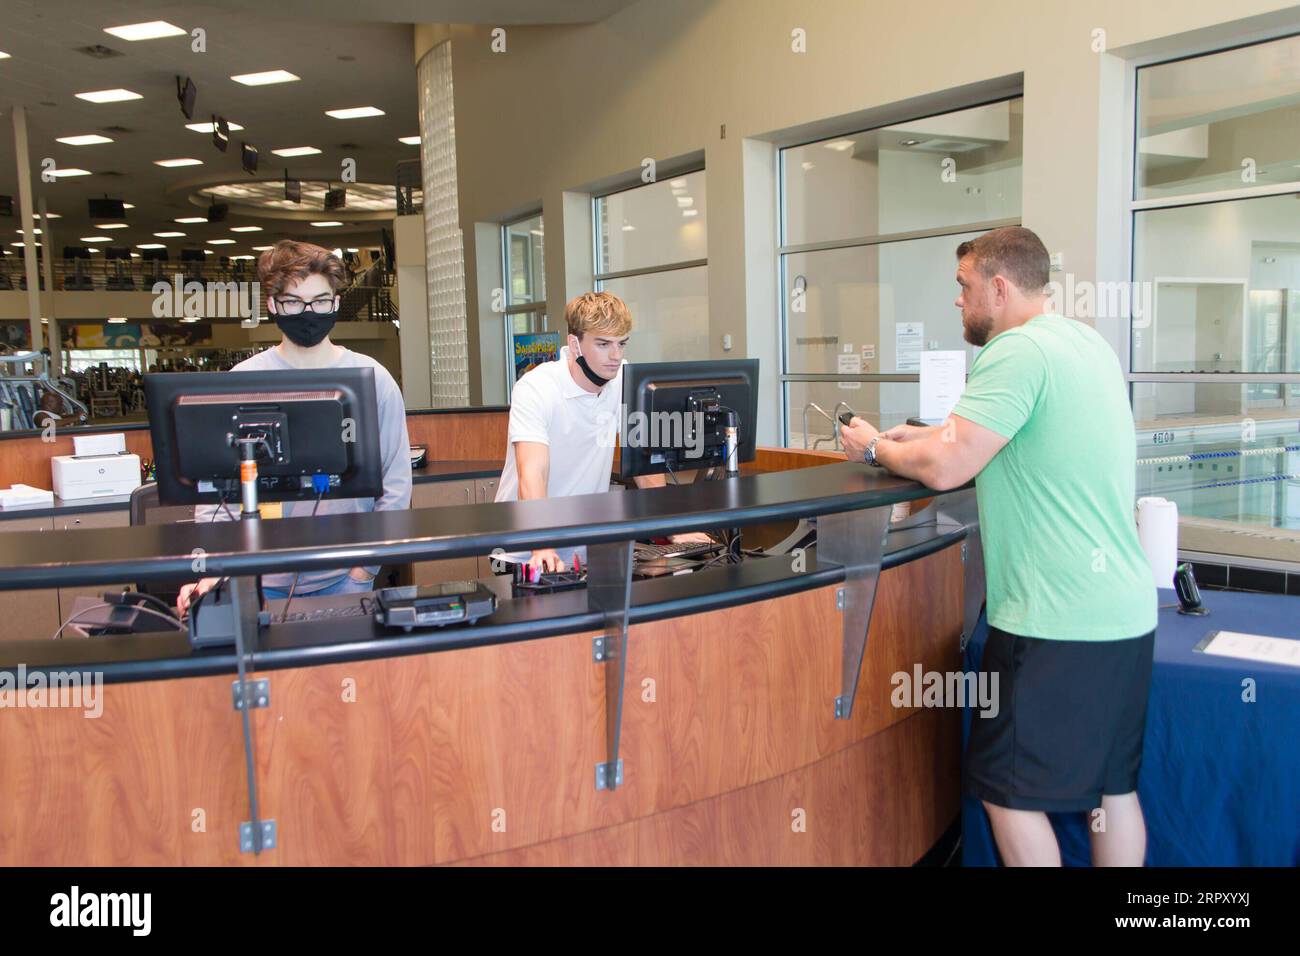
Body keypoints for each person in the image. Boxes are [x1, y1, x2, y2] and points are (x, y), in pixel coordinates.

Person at [840, 226, 1157, 867]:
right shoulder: (1085, 343)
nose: (957, 301)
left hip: (1055, 619)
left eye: (964, 287)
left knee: (1008, 792)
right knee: (1111, 791)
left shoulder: (1015, 351)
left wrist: (876, 447)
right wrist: (932, 433)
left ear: (1000, 286)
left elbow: (950, 465)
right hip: (1124, 613)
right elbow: (1011, 437)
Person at [176, 240, 411, 614]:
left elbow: (396, 485)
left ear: (335, 302)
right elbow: (215, 497)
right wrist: (212, 572)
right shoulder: (242, 380)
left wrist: (363, 571)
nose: (308, 313)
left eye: (320, 301)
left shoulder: (373, 380)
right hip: (256, 583)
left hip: (345, 581)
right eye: (293, 302)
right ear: (272, 305)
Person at [495, 290, 709, 576]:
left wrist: (673, 528)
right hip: (522, 551)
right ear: (575, 344)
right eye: (603, 344)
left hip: (585, 548)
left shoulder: (623, 378)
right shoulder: (536, 387)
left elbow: (644, 463)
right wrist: (542, 543)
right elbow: (533, 472)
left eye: (622, 344)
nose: (616, 355)